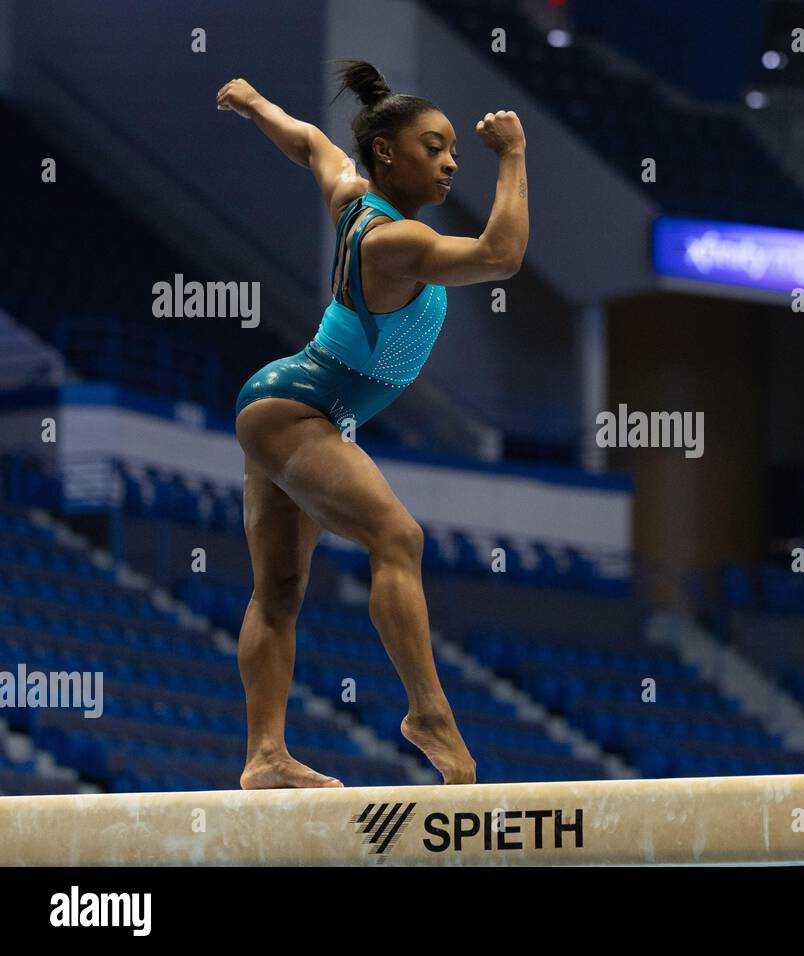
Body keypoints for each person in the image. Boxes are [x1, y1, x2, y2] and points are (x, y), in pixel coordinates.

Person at [216, 59, 528, 788]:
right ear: (387, 152)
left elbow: (310, 145)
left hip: (285, 403)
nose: (451, 162)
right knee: (398, 537)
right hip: (302, 408)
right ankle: (427, 713)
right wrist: (511, 154)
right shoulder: (394, 244)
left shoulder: (353, 198)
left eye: (455, 149)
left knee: (280, 590)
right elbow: (501, 255)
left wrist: (254, 96)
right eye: (434, 146)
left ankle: (265, 756)